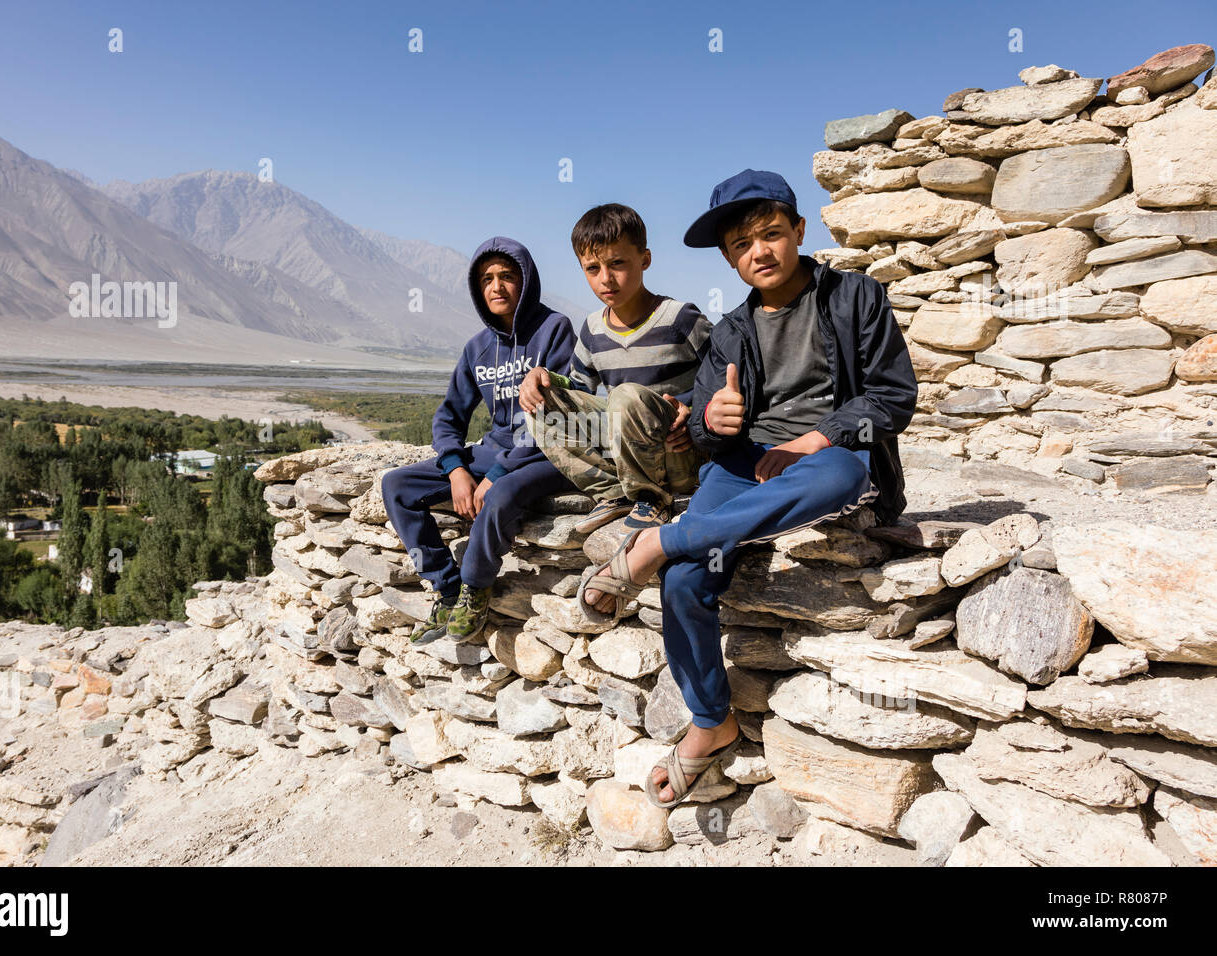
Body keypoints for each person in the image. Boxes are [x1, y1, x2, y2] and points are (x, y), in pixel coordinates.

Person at [578, 170, 918, 807]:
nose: (758, 251)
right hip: (744, 467)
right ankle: (713, 723)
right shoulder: (731, 329)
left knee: (845, 471)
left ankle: (659, 541)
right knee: (683, 579)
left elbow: (892, 397)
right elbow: (707, 427)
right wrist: (715, 421)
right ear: (728, 257)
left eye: (770, 234)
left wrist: (817, 438)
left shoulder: (855, 299)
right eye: (740, 244)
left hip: (827, 457)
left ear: (798, 230)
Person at [381, 237, 578, 644]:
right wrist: (455, 470)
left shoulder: (554, 330)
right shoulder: (477, 348)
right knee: (397, 485)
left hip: (544, 452)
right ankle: (447, 589)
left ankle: (474, 588)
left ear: (526, 281)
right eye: (486, 278)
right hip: (493, 451)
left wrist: (500, 470)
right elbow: (449, 416)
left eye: (507, 276)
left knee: (500, 494)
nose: (497, 287)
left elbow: (554, 416)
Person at [519, 203, 712, 534]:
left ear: (645, 260)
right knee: (539, 401)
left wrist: (695, 411)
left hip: (682, 455)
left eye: (617, 263)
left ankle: (653, 499)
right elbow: (579, 391)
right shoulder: (593, 329)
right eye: (592, 268)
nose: (605, 278)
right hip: (628, 458)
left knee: (624, 396)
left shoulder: (680, 318)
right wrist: (546, 378)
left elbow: (727, 375)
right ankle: (613, 492)